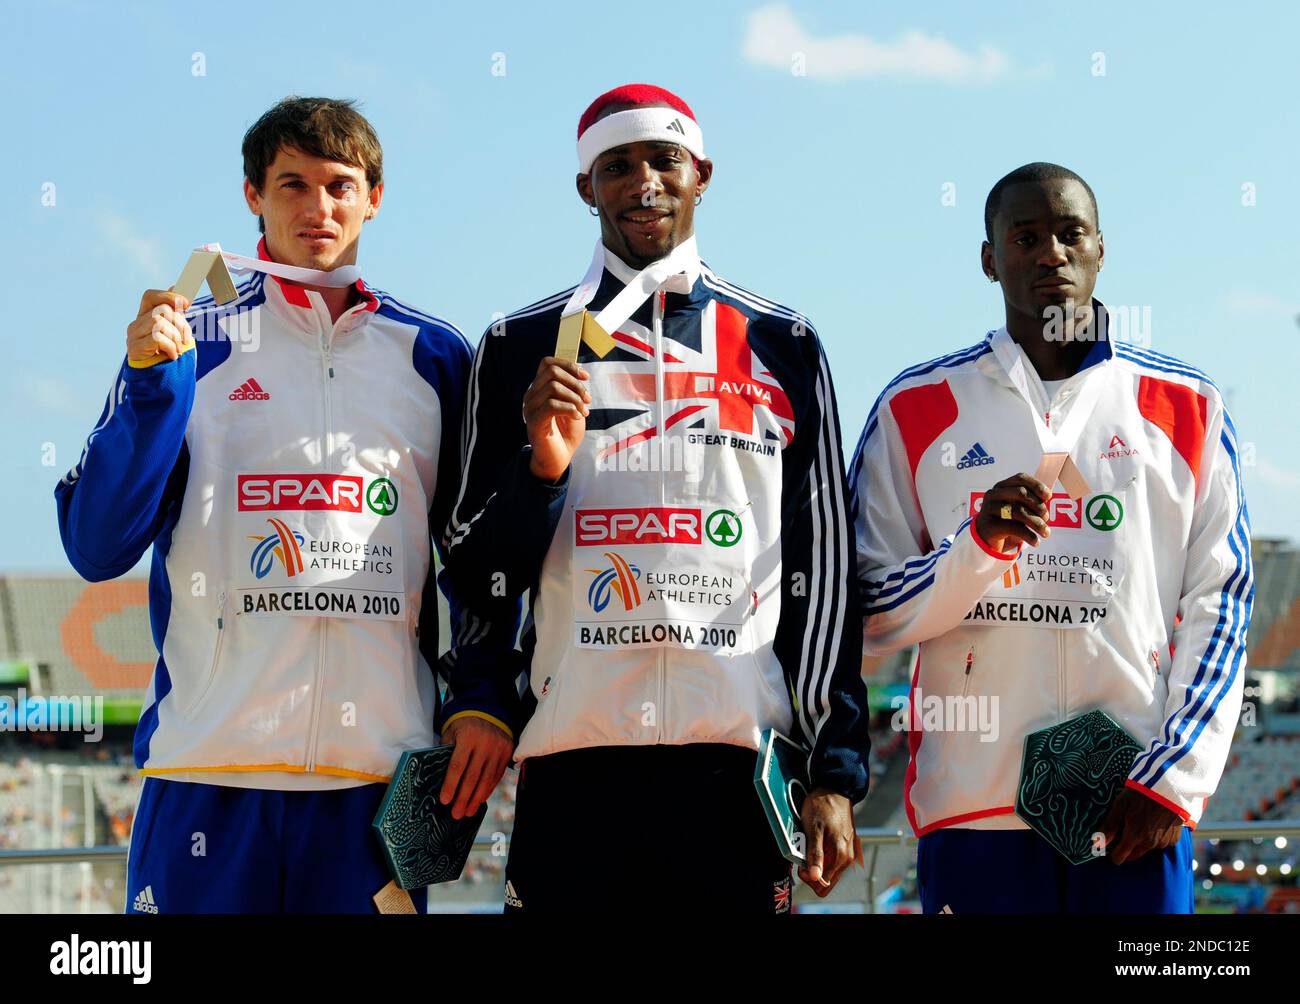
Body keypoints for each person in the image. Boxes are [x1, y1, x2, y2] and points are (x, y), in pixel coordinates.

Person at [55, 96, 513, 913]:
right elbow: (96, 546)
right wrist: (152, 390)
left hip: (372, 791)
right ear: (252, 197)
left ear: (375, 197)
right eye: (292, 184)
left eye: (340, 185)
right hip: (207, 778)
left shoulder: (435, 356)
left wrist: (478, 694)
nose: (317, 207)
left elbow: (479, 560)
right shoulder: (188, 338)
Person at [444, 83, 871, 913]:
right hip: (574, 765)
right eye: (617, 166)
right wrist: (538, 473)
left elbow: (824, 572)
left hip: (736, 767)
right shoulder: (517, 345)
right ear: (585, 188)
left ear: (701, 173)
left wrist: (833, 769)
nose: (643, 181)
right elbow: (473, 578)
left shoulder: (784, 341)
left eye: (663, 159)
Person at [850, 162, 1253, 913]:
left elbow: (1221, 607)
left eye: (1070, 234)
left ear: (1103, 249)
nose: (1050, 254)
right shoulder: (916, 407)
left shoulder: (1187, 405)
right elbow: (865, 611)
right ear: (988, 257)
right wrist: (976, 550)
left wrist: (1174, 777)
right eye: (1025, 236)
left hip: (1134, 808)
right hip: (975, 813)